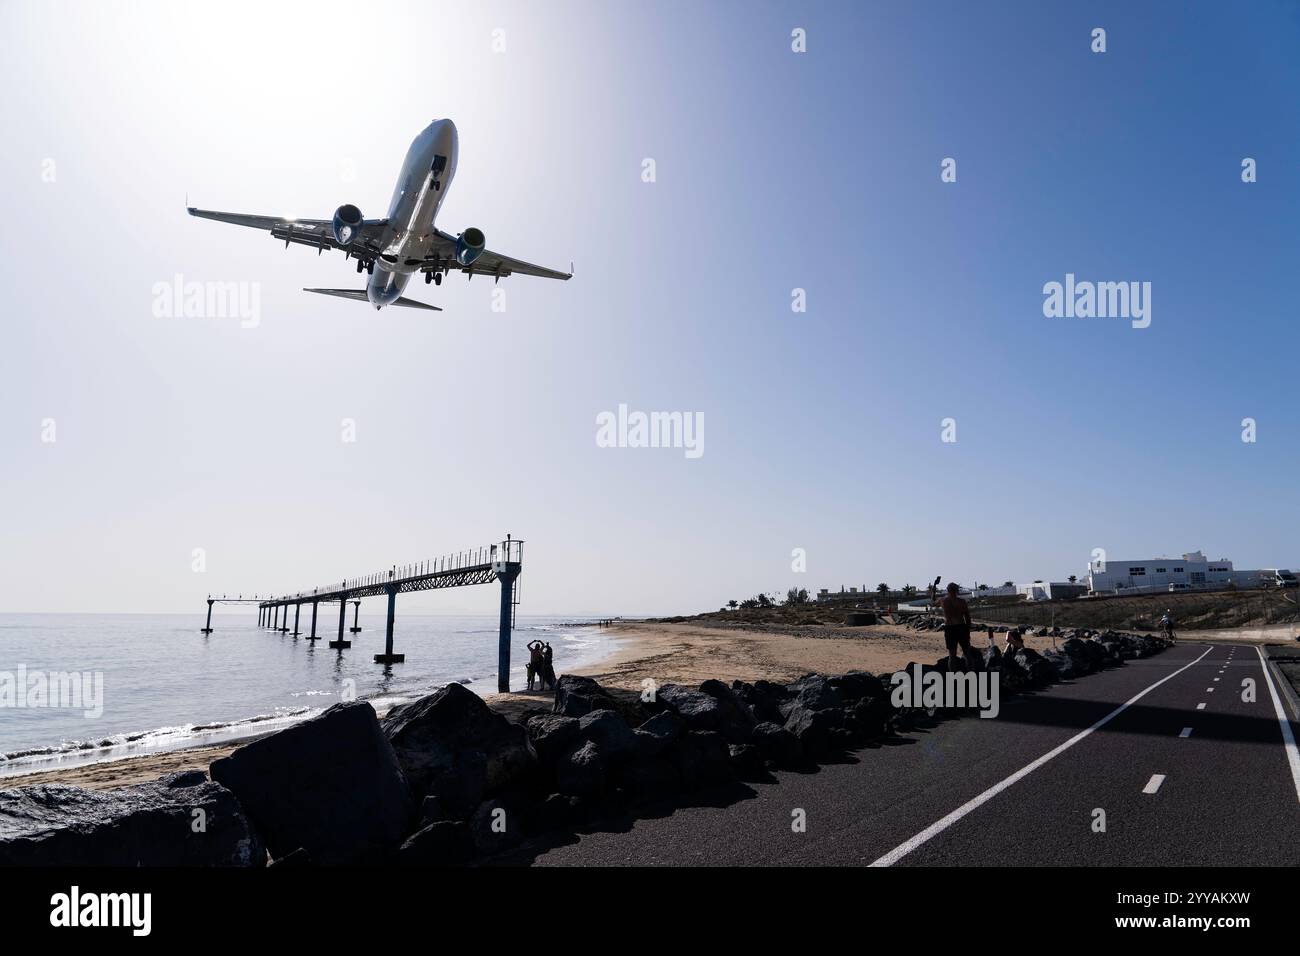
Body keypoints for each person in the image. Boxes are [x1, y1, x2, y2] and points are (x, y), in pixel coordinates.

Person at [939, 582, 974, 669]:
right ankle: (971, 674)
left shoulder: (943, 600)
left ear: (948, 590)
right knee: (967, 653)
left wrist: (933, 592)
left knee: (952, 655)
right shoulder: (962, 602)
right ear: (957, 590)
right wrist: (968, 631)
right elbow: (967, 617)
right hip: (962, 627)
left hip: (950, 628)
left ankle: (952, 677)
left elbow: (933, 601)